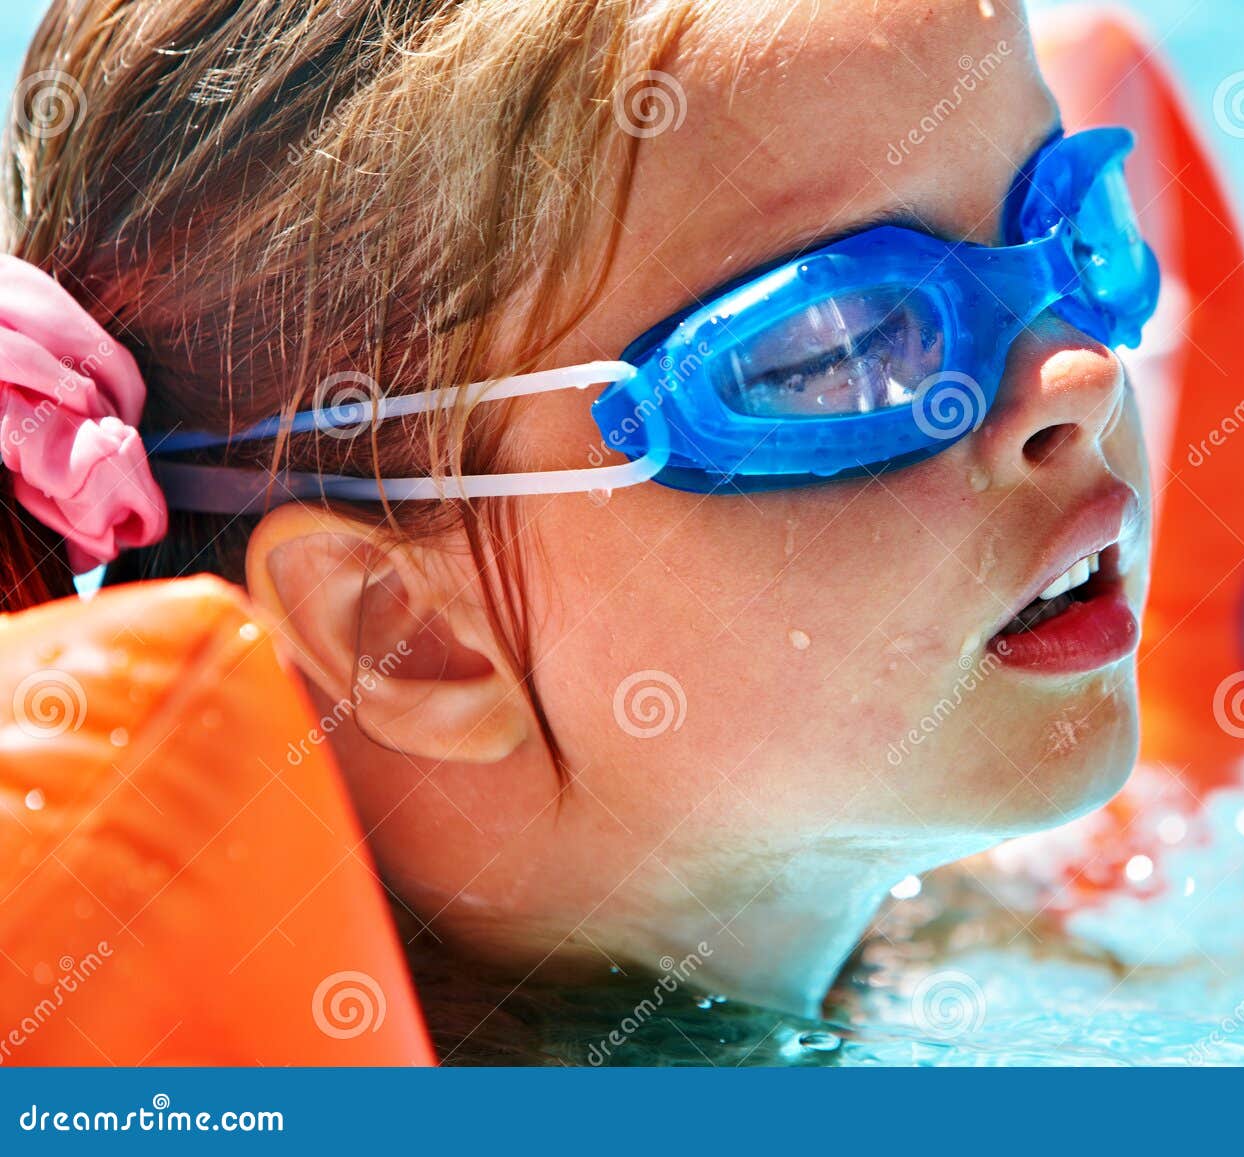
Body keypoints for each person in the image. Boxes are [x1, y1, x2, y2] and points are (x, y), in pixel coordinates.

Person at [1, 0, 1156, 1054]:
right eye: (838, 345)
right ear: (407, 629)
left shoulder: (960, 921)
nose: (1078, 373)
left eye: (1067, 224)